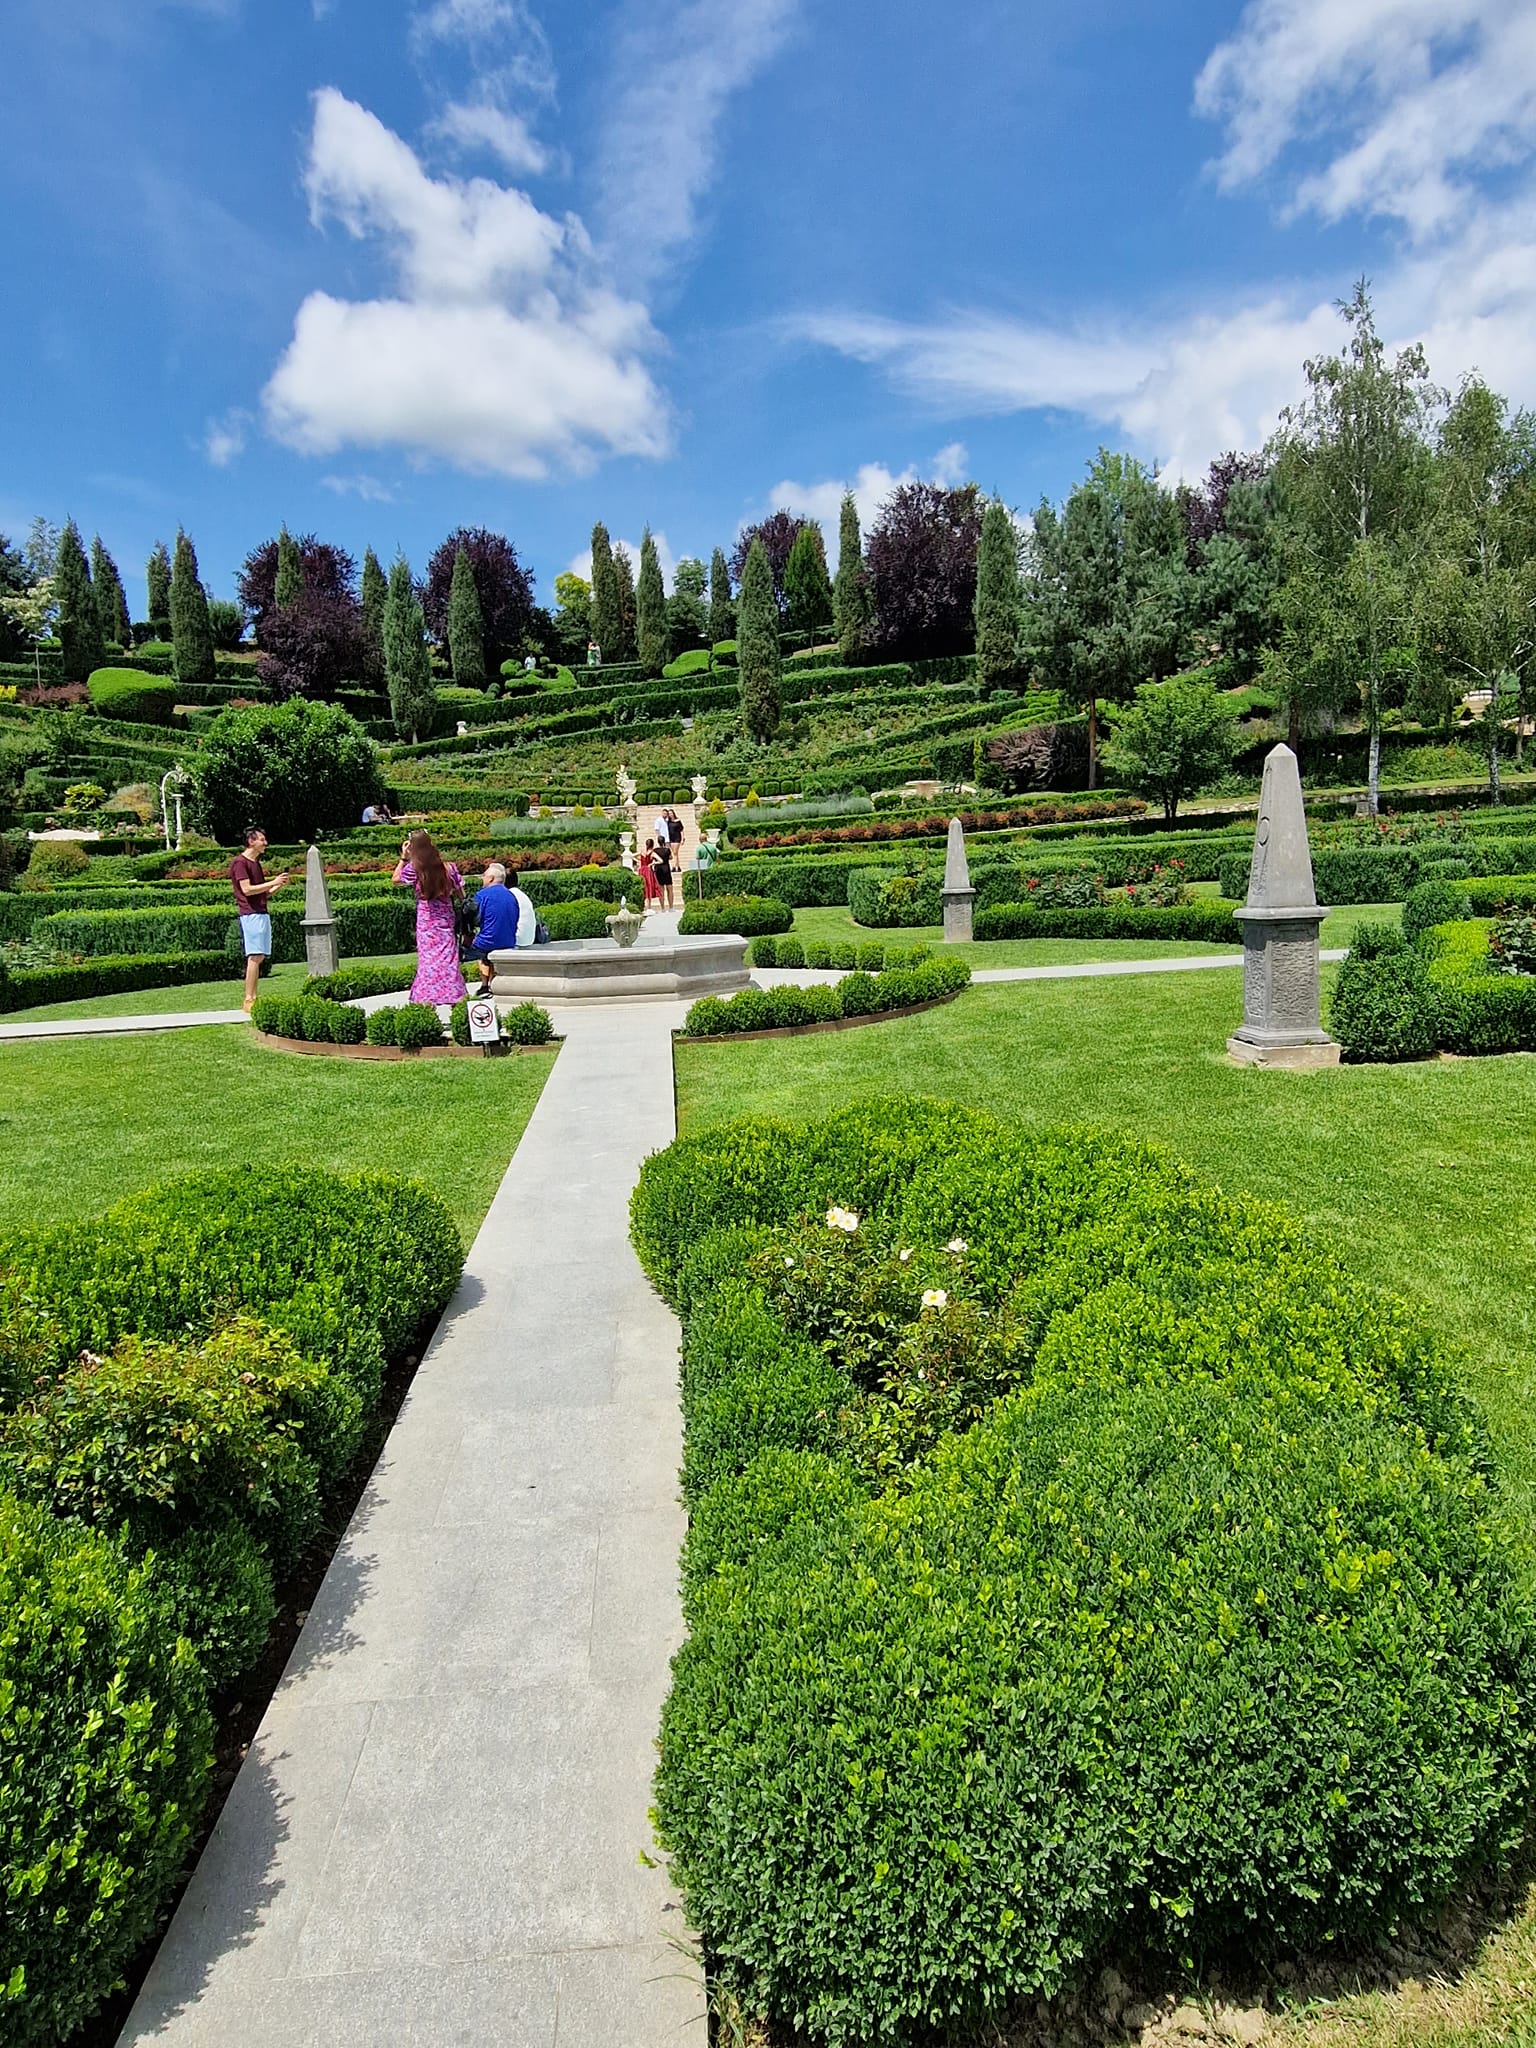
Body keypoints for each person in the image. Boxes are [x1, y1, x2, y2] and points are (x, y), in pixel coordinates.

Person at [392, 829, 468, 1009]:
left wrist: (404, 857)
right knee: (448, 958)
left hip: (426, 921)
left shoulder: (414, 869)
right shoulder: (448, 868)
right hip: (445, 919)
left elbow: (395, 879)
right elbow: (461, 895)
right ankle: (454, 996)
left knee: (428, 961)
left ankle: (426, 999)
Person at [230, 825, 290, 1014]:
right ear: (251, 841)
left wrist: (278, 885)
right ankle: (249, 999)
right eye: (262, 840)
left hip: (261, 912)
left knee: (260, 956)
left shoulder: (255, 863)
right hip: (251, 914)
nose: (266, 843)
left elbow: (263, 893)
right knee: (255, 956)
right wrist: (272, 882)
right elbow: (247, 890)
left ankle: (253, 997)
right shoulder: (240, 863)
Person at [466, 862, 537, 988]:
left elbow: (473, 916)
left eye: (484, 875)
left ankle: (484, 985)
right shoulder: (512, 896)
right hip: (510, 941)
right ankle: (492, 982)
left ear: (491, 878)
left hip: (491, 942)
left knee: (477, 944)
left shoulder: (483, 894)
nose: (482, 878)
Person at [653, 829, 674, 910]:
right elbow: (671, 857)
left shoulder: (655, 850)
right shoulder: (667, 850)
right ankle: (671, 907)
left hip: (658, 869)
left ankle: (662, 908)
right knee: (669, 888)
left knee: (661, 889)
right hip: (666, 868)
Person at [639, 837, 661, 910]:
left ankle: (643, 906)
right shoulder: (652, 853)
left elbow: (632, 856)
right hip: (648, 870)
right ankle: (649, 907)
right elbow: (661, 860)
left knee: (643, 887)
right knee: (648, 887)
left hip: (642, 869)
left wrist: (639, 860)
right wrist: (652, 863)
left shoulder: (642, 851)